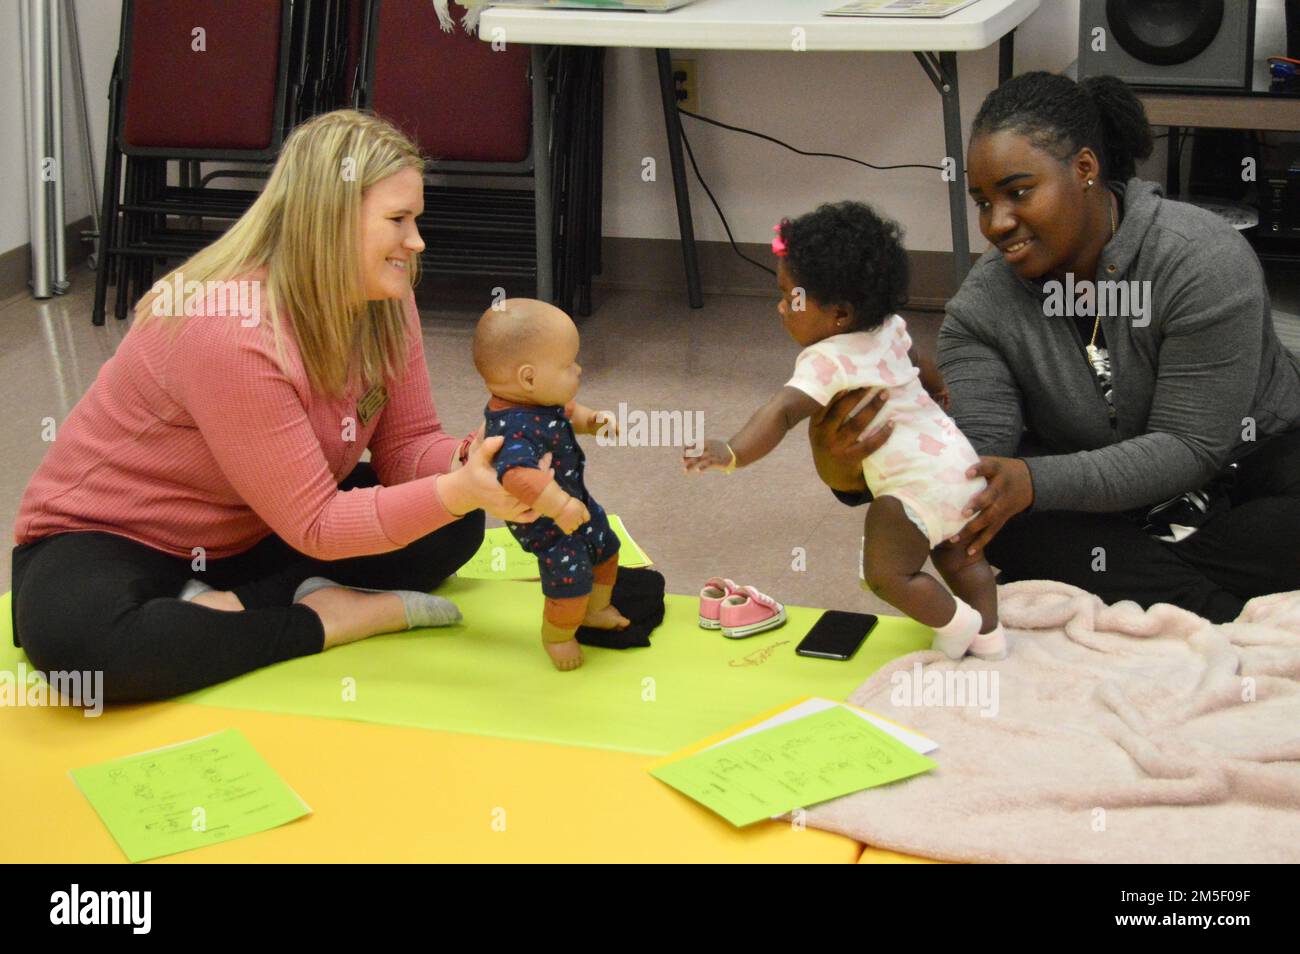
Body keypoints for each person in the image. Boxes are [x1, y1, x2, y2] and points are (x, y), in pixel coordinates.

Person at [12, 110, 543, 703]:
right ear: (331, 221)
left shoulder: (385, 298)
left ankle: (238, 607)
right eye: (398, 220)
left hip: (256, 532)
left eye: (415, 219)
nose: (415, 241)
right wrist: (456, 489)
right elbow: (315, 523)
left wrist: (475, 460)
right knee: (81, 654)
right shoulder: (229, 327)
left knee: (453, 522)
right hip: (116, 538)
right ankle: (326, 618)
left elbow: (407, 447)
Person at [808, 72, 1300, 623]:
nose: (996, 223)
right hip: (1105, 498)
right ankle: (1217, 604)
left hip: (1246, 462)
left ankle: (1160, 587)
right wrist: (850, 475)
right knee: (1003, 523)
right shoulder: (981, 310)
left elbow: (1189, 446)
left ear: (1085, 169)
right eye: (982, 201)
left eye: (1018, 192)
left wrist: (1037, 481)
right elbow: (973, 459)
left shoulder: (1200, 258)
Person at [685, 202, 1004, 659]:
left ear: (838, 315)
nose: (780, 307)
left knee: (887, 575)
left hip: (911, 491)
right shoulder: (891, 327)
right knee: (962, 557)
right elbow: (919, 362)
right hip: (958, 463)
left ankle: (957, 623)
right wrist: (939, 388)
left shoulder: (826, 359)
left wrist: (732, 451)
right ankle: (991, 638)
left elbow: (781, 412)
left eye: (790, 297)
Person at [473, 298, 628, 671]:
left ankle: (597, 609)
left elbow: (570, 412)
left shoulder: (543, 400)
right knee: (569, 576)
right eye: (568, 365)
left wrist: (593, 421)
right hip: (544, 522)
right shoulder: (514, 429)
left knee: (607, 547)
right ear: (528, 378)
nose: (579, 369)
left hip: (574, 503)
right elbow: (516, 476)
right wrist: (558, 505)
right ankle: (557, 636)